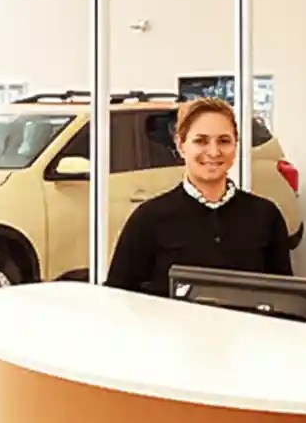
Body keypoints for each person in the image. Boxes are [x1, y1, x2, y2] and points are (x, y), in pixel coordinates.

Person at [105, 97, 293, 295]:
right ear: (181, 145)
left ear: (236, 145)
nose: (213, 152)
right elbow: (119, 299)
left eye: (224, 141)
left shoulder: (265, 215)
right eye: (200, 141)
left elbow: (286, 299)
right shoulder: (148, 219)